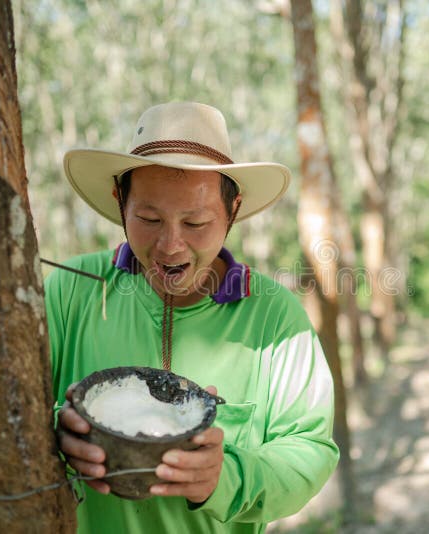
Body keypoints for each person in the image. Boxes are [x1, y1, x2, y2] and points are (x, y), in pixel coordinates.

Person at [46, 102, 339, 533]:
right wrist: (58, 430)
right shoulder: (70, 290)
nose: (170, 246)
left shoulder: (274, 317)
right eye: (148, 218)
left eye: (196, 223)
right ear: (120, 202)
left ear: (233, 209)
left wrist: (226, 477)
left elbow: (309, 448)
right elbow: (10, 409)